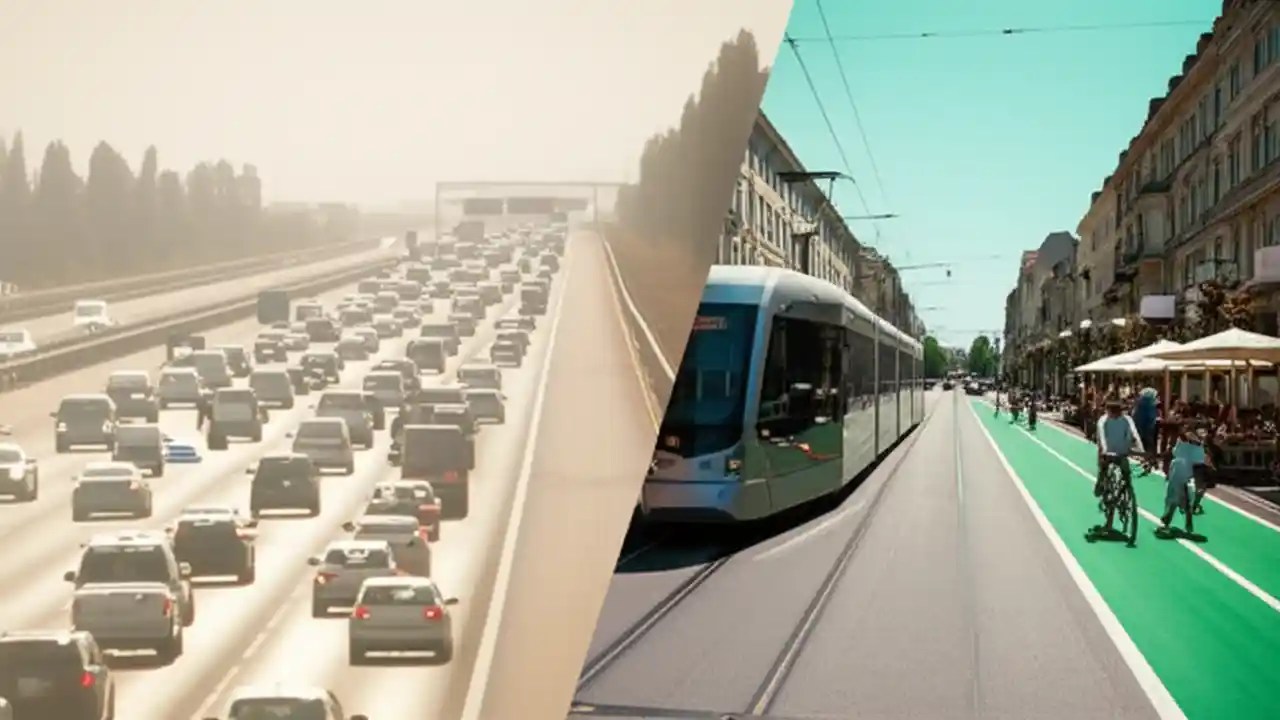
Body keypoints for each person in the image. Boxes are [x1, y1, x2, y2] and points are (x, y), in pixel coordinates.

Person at [1094, 397, 1145, 498]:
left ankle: (1127, 493)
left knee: (1126, 475)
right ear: (1108, 411)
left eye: (1118, 411)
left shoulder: (1127, 419)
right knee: (1103, 468)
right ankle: (1100, 480)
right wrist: (1104, 450)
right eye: (1113, 411)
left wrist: (1142, 451)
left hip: (1122, 452)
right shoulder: (1103, 421)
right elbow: (1102, 436)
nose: (1116, 413)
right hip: (1107, 453)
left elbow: (1135, 435)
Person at [1160, 428, 1205, 535]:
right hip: (1181, 473)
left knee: (1181, 499)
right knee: (1178, 499)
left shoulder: (1192, 445)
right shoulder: (1187, 444)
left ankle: (1173, 522)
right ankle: (1171, 521)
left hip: (1184, 474)